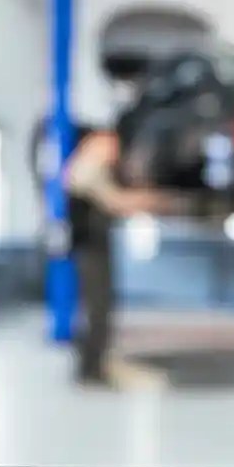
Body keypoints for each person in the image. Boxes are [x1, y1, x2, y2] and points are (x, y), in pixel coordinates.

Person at [63, 129, 181, 385]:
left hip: (95, 246)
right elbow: (116, 202)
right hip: (89, 248)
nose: (115, 155)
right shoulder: (85, 174)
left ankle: (94, 365)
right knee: (97, 308)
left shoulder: (87, 172)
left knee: (100, 307)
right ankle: (91, 369)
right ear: (96, 145)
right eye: (111, 147)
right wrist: (158, 201)